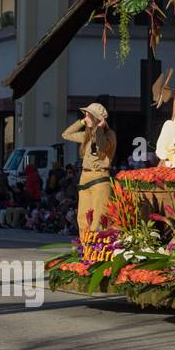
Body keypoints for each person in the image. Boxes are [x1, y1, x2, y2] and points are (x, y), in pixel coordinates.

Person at [62, 103, 117, 250]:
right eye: (85, 115)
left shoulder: (109, 135)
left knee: (98, 219)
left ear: (97, 119)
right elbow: (66, 134)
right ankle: (85, 250)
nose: (85, 118)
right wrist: (81, 122)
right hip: (85, 178)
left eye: (88, 115)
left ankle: (97, 251)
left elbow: (102, 145)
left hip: (100, 178)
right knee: (82, 218)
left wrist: (100, 128)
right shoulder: (87, 135)